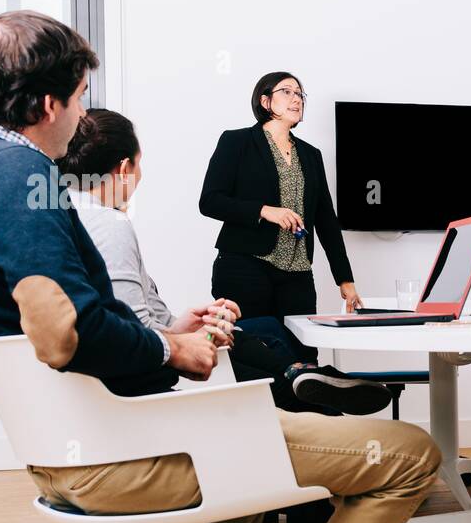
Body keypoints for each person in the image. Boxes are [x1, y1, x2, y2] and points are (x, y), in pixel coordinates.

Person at [0, 10, 441, 523]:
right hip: (123, 457)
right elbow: (62, 332)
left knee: (244, 413)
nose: (83, 118)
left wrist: (167, 335)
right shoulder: (17, 176)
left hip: (79, 450)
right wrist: (174, 355)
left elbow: (68, 321)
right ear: (48, 102)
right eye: (80, 98)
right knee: (409, 453)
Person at [59, 107, 387, 416]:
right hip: (154, 378)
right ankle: (323, 409)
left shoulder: (67, 217)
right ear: (123, 168)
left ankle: (308, 379)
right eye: (140, 164)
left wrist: (182, 325)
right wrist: (189, 340)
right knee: (257, 354)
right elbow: (137, 332)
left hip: (146, 357)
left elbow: (128, 321)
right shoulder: (108, 226)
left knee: (261, 332)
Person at [199, 70, 368, 397]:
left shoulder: (311, 155)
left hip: (296, 273)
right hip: (245, 266)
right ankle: (268, 434)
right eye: (287, 92)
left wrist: (345, 281)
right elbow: (210, 201)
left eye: (300, 94)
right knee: (254, 352)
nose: (296, 99)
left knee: (304, 354)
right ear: (265, 101)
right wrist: (264, 210)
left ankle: (317, 425)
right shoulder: (237, 142)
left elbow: (326, 221)